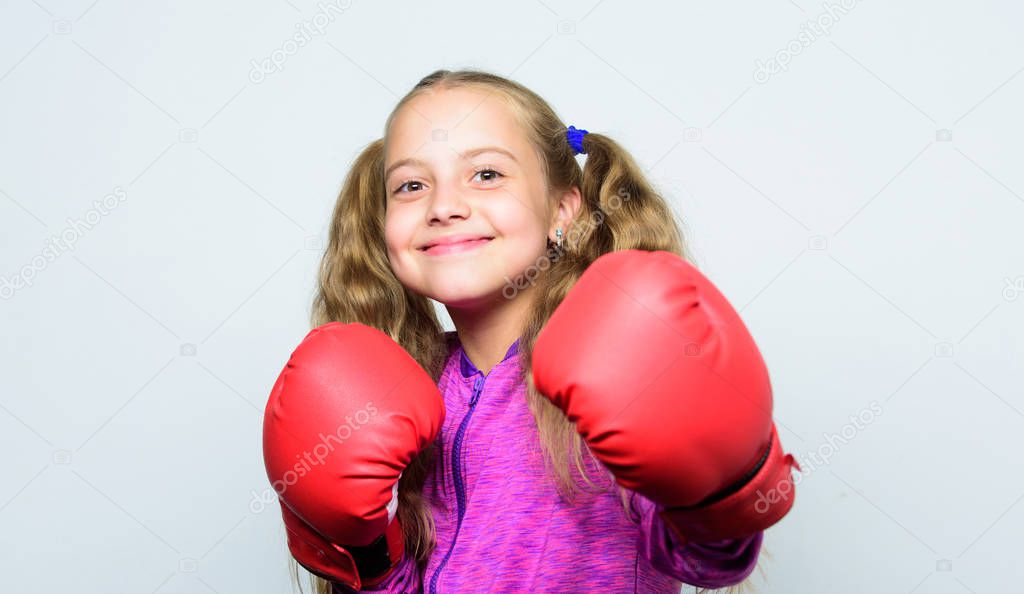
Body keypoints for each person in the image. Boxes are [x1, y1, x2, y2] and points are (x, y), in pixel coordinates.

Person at [262, 68, 800, 594]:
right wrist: (366, 557)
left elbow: (707, 561)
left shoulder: (613, 363)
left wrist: (720, 490)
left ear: (562, 210)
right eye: (410, 185)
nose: (444, 206)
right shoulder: (399, 392)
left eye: (487, 174)